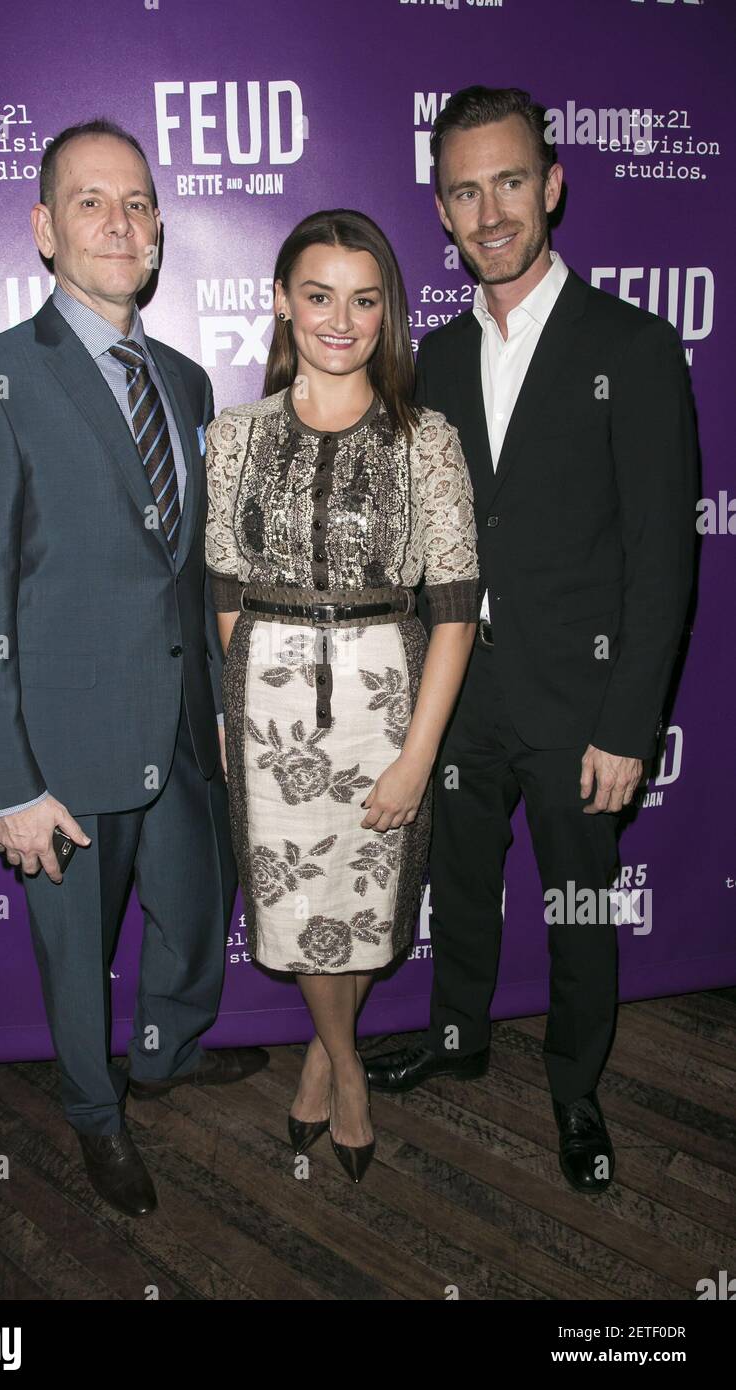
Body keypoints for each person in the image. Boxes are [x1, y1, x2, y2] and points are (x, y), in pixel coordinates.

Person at [0, 118, 266, 1219]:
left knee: (188, 909)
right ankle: (95, 1112)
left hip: (178, 726)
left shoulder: (183, 378)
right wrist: (7, 785)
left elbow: (187, 569)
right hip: (61, 753)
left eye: (136, 204)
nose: (118, 223)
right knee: (75, 962)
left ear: (160, 231)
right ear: (42, 227)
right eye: (89, 202)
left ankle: (164, 1055)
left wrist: (215, 713)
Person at [366, 87, 699, 1194]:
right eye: (464, 189)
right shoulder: (434, 359)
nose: (489, 208)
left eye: (509, 180)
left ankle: (572, 1087)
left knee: (576, 907)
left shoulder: (634, 345)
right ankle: (457, 1036)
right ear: (443, 211)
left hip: (580, 700)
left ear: (550, 184)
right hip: (465, 689)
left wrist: (627, 723)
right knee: (458, 884)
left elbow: (662, 556)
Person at [204, 210, 479, 1183]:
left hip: (387, 700)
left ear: (386, 312)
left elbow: (451, 606)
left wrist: (417, 753)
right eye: (317, 295)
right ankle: (351, 1066)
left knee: (359, 900)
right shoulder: (234, 434)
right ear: (282, 301)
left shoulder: (425, 439)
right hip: (270, 708)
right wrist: (244, 702)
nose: (339, 319)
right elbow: (227, 583)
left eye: (363, 299)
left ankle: (326, 1056)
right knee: (299, 907)